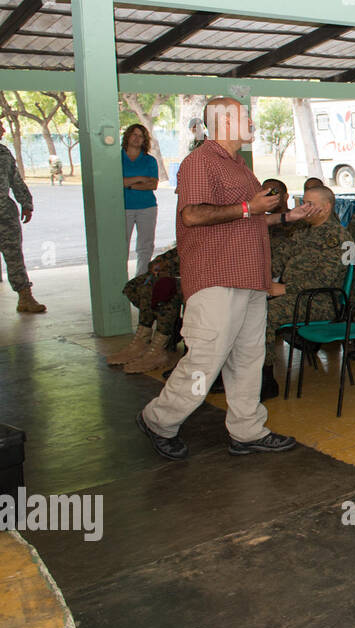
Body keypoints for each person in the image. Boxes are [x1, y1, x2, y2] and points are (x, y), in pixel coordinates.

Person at [137, 97, 322, 460]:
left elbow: (249, 219)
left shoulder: (240, 166)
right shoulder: (199, 162)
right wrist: (247, 207)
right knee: (205, 361)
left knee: (248, 359)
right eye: (243, 116)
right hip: (216, 278)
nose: (252, 121)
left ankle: (247, 430)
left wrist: (288, 217)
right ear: (222, 122)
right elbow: (191, 215)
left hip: (250, 278)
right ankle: (159, 420)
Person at [265, 185, 347, 394]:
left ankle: (265, 380)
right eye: (303, 202)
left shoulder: (341, 238)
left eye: (310, 204)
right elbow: (279, 259)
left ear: (326, 207)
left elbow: (326, 279)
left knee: (262, 315)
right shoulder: (302, 232)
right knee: (245, 305)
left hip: (319, 301)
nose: (304, 208)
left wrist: (285, 289)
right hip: (296, 296)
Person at [107, 245, 181, 374]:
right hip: (178, 269)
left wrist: (166, 266)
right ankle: (142, 340)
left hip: (200, 277)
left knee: (163, 290)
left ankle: (158, 348)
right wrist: (159, 261)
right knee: (134, 287)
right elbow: (180, 250)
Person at [0, 121, 44, 313]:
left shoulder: (3, 153)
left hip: (5, 215)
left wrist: (26, 203)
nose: (3, 130)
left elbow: (15, 180)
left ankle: (25, 297)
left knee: (14, 255)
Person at [120, 123, 160, 279]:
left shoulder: (150, 160)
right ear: (128, 136)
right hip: (124, 207)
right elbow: (118, 182)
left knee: (145, 246)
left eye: (141, 136)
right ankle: (120, 279)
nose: (137, 139)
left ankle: (140, 279)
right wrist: (140, 179)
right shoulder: (118, 157)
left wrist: (129, 184)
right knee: (122, 245)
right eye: (134, 135)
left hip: (147, 207)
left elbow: (153, 184)